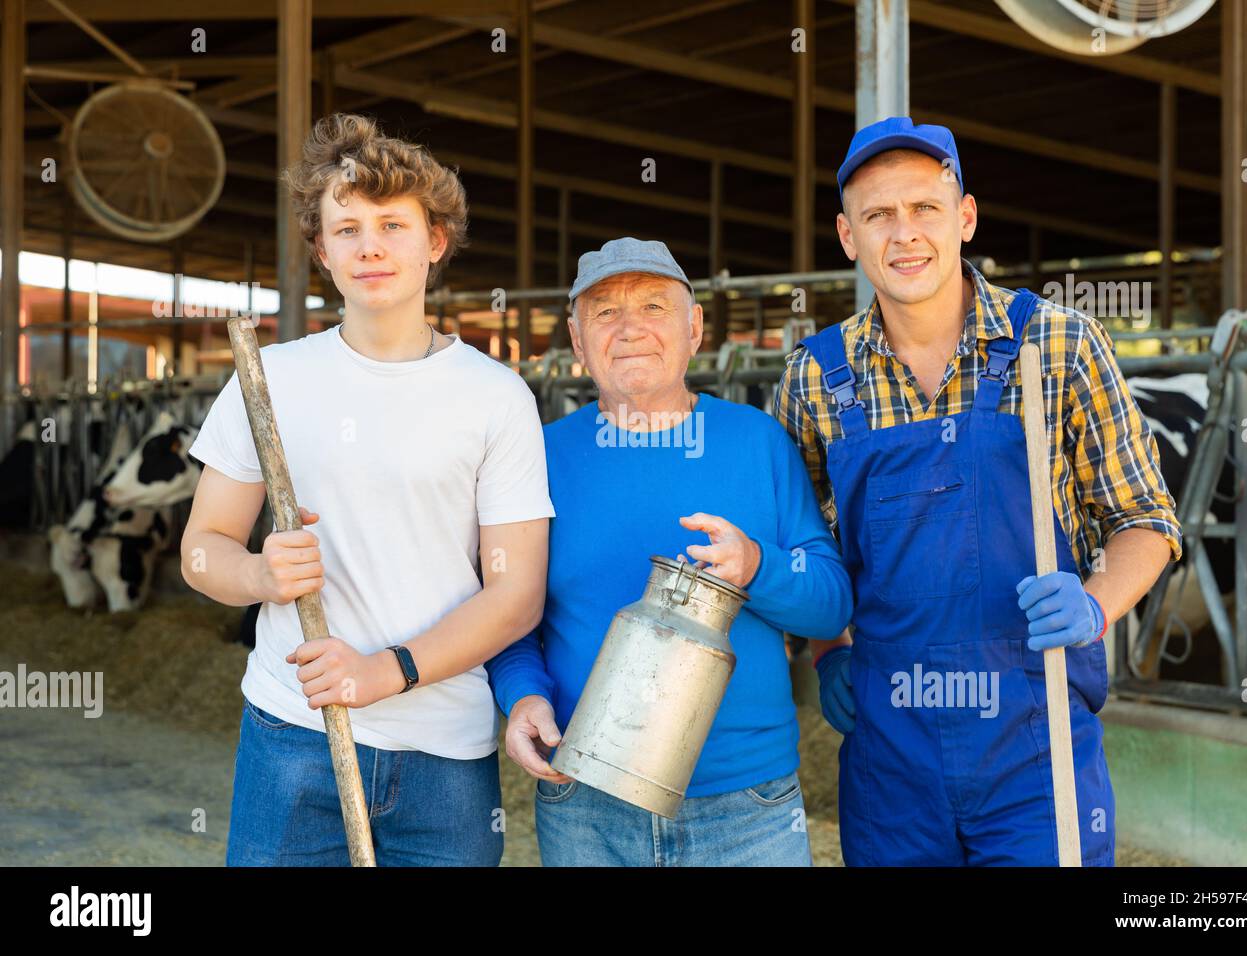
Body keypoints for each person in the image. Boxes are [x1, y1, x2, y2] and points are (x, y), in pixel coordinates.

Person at [773, 117, 1182, 866]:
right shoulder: (815, 378)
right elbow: (803, 546)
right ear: (846, 235)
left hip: (1036, 744)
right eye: (878, 215)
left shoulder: (1057, 344)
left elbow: (1146, 519)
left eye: (925, 208)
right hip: (889, 752)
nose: (905, 235)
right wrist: (829, 647)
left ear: (964, 217)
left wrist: (1094, 602)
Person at [181, 113, 553, 866]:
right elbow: (200, 553)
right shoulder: (271, 380)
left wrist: (384, 672)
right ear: (322, 251)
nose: (371, 245)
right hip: (295, 734)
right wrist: (256, 573)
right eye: (346, 229)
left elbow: (515, 596)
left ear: (435, 241)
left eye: (392, 224)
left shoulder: (496, 395)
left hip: (444, 750)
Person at [487, 237, 852, 867]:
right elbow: (508, 610)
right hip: (585, 800)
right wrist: (522, 695)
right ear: (577, 342)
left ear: (694, 328)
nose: (630, 329)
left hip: (749, 809)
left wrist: (756, 565)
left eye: (654, 307)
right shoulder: (539, 457)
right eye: (604, 312)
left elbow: (829, 604)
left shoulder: (757, 441)